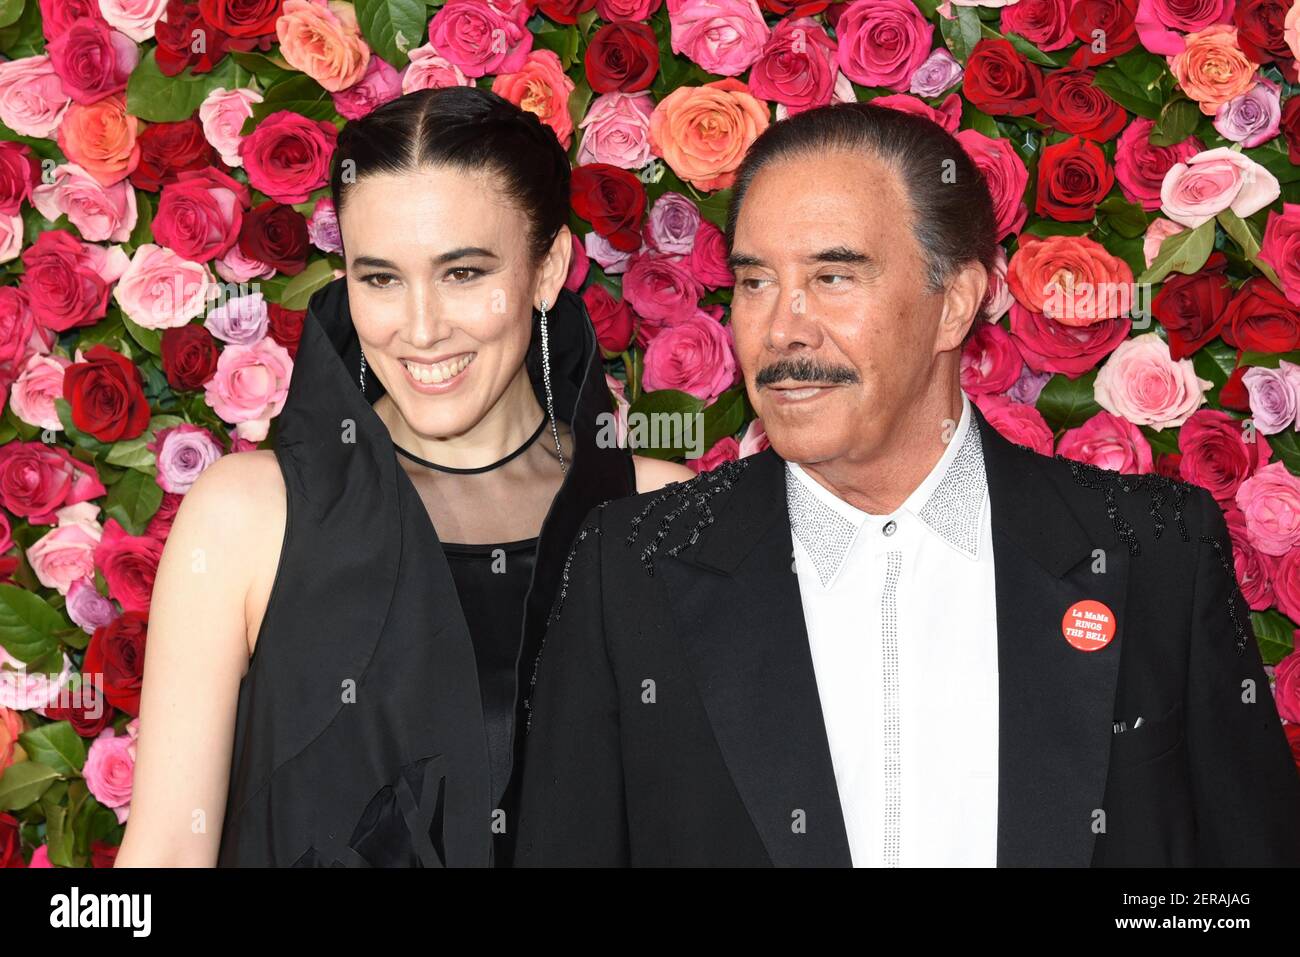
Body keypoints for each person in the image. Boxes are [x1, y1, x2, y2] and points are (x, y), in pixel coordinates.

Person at [513, 101, 1300, 867]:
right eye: (755, 283)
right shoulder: (632, 566)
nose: (781, 328)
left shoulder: (1155, 552)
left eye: (832, 276)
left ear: (953, 304)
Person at [115, 86, 691, 868]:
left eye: (463, 273)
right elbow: (164, 857)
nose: (420, 329)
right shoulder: (247, 516)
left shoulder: (655, 514)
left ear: (548, 268)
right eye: (381, 278)